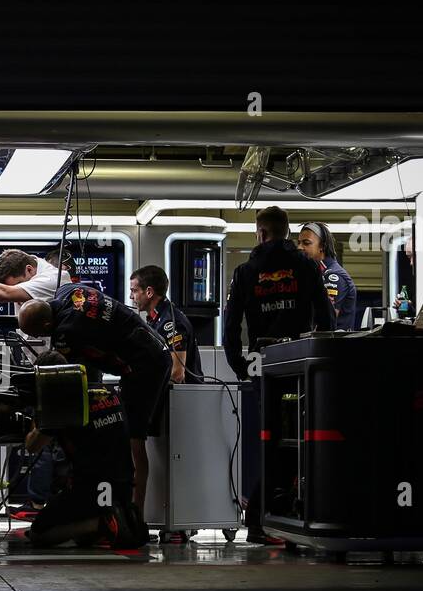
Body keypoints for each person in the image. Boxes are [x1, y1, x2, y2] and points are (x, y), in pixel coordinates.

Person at [223, 206, 334, 543]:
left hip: (262, 362)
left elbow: (230, 328)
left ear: (260, 233)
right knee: (297, 440)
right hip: (298, 362)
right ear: (285, 233)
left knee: (270, 440)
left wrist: (239, 365)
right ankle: (274, 517)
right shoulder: (305, 265)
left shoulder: (245, 272)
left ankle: (265, 518)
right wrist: (318, 356)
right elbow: (326, 316)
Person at [16, 283, 171, 525]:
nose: (36, 338)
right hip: (149, 344)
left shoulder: (67, 332)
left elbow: (63, 378)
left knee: (134, 440)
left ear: (47, 326)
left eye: (35, 334)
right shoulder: (67, 290)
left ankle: (134, 518)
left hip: (145, 364)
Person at [25, 352, 145, 548]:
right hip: (122, 487)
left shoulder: (62, 406)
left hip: (90, 489)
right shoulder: (109, 392)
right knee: (81, 539)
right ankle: (111, 518)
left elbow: (32, 446)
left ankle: (102, 523)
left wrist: (40, 409)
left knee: (38, 534)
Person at [128, 265, 203, 384]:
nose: (131, 296)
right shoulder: (157, 318)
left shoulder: (171, 323)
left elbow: (177, 374)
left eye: (134, 291)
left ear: (149, 292)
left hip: (183, 398)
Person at [296, 221, 358, 331]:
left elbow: (327, 318)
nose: (300, 247)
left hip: (333, 345)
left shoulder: (333, 276)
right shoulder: (318, 273)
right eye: (299, 242)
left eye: (306, 243)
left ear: (322, 246)